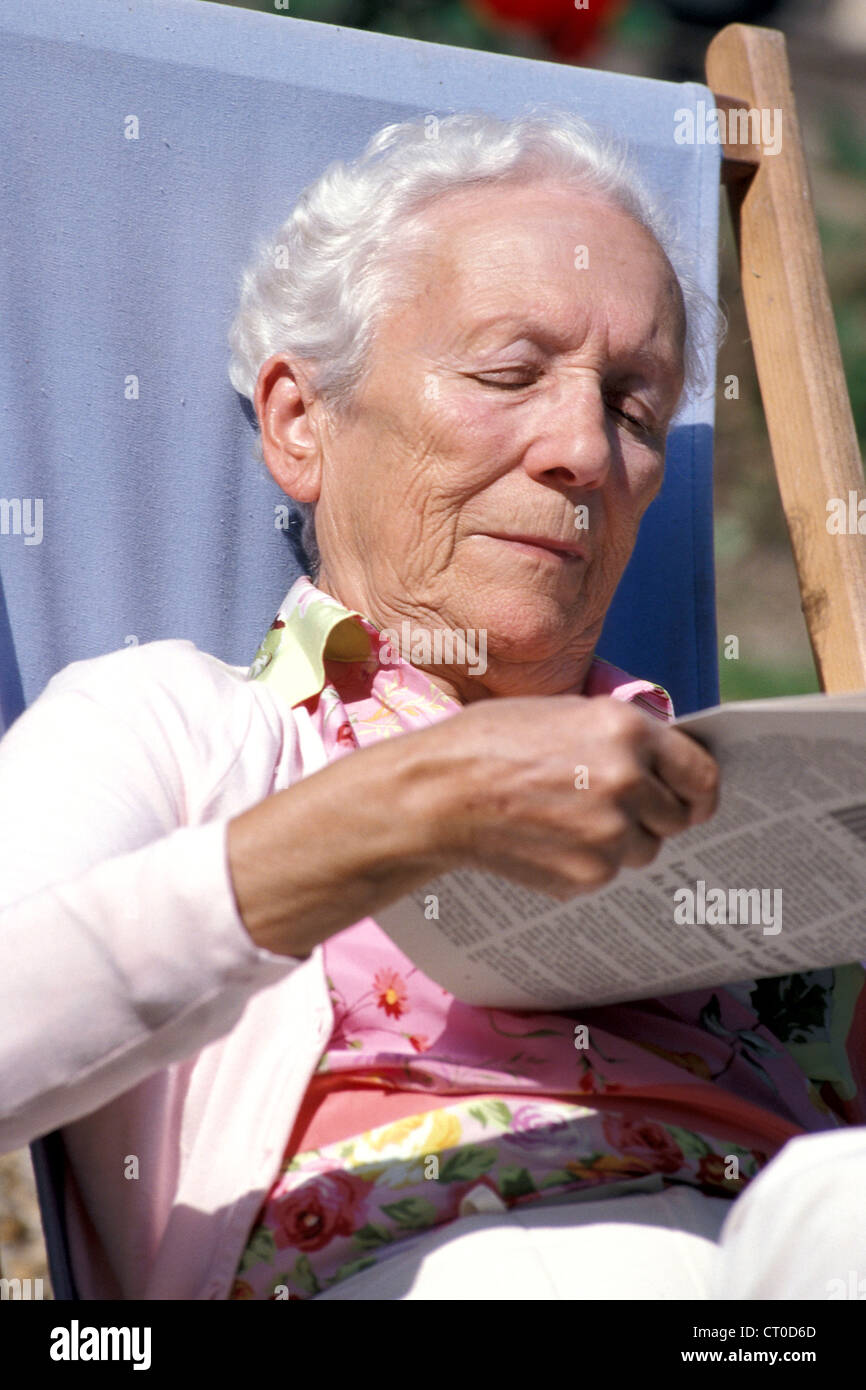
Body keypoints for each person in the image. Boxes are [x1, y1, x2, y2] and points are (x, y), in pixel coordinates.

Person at [1, 110, 864, 1301]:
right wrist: (391, 814)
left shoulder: (741, 784)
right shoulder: (172, 727)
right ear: (302, 423)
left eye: (631, 407)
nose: (580, 449)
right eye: (509, 373)